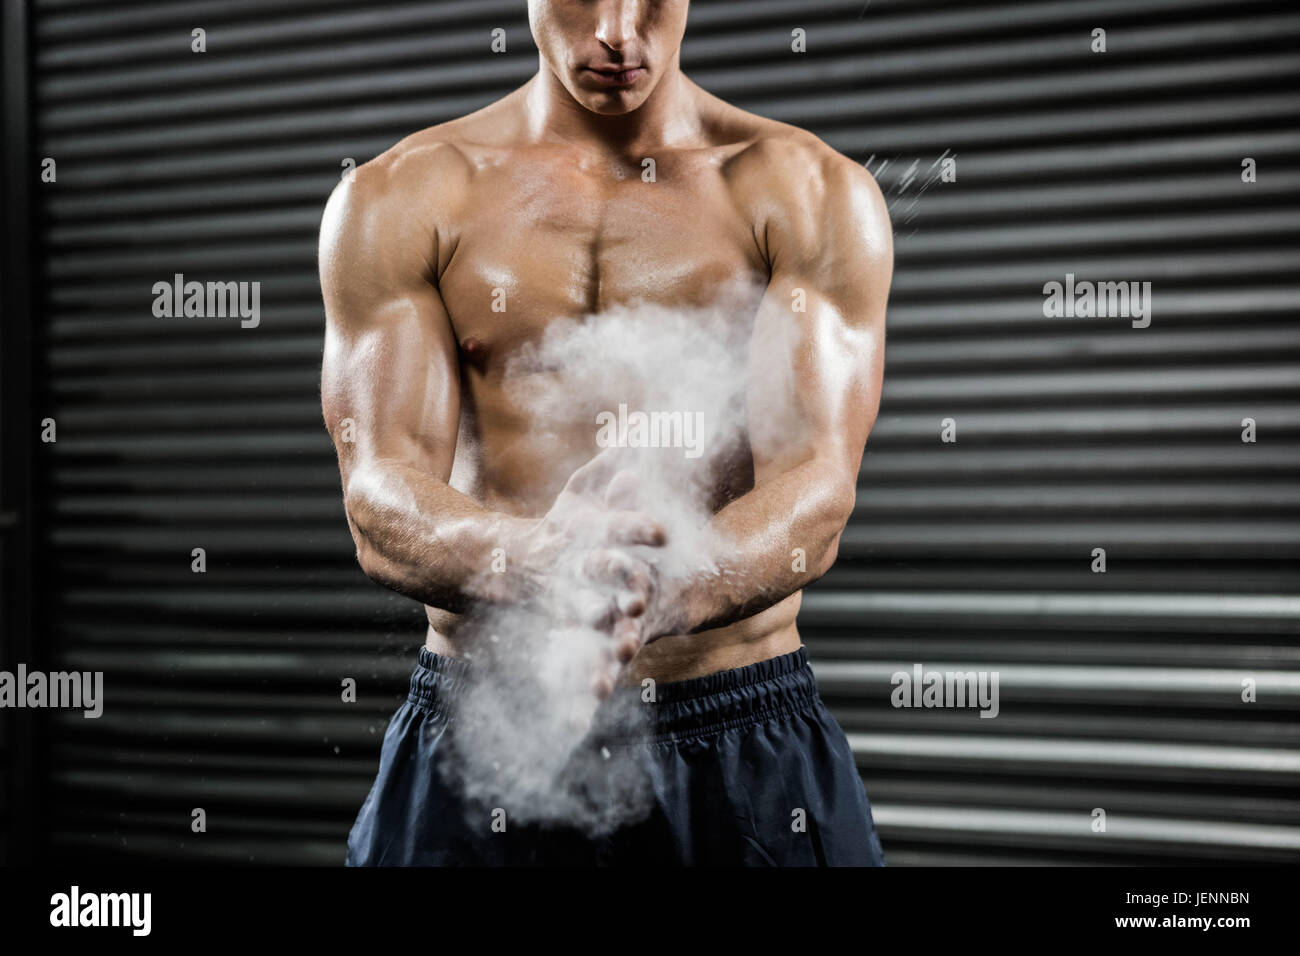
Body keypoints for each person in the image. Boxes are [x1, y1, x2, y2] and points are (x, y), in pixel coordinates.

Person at [320, 0, 891, 865]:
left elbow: (818, 490)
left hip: (738, 740)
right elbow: (378, 499)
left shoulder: (808, 194)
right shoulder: (400, 198)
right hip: (481, 729)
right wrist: (539, 561)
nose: (619, 31)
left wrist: (669, 589)